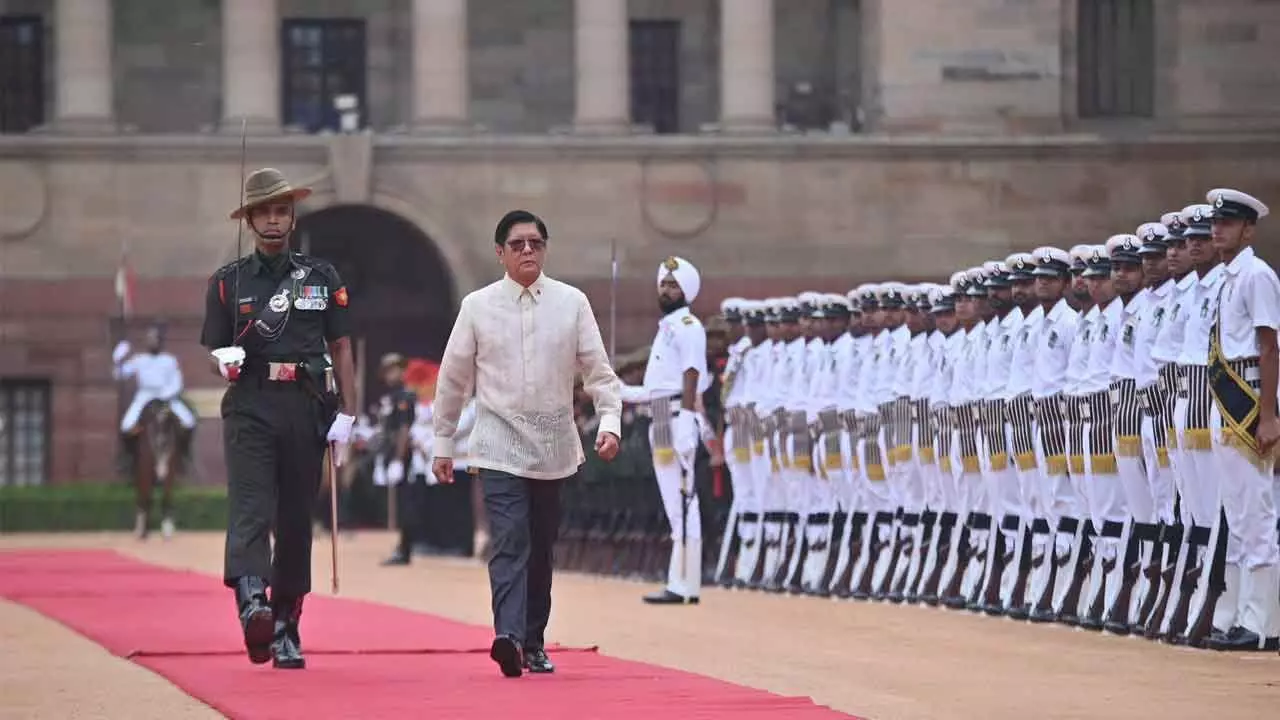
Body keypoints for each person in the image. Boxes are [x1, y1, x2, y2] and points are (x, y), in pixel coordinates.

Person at [430, 209, 622, 678]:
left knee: (539, 545)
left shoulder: (571, 302)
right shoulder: (477, 306)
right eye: (517, 244)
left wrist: (610, 421)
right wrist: (443, 441)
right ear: (500, 253)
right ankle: (509, 637)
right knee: (510, 538)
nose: (528, 251)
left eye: (536, 243)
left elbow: (598, 370)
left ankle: (533, 639)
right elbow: (453, 377)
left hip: (553, 443)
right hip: (497, 441)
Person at [200, 167, 358, 670]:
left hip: (304, 405)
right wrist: (223, 361)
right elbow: (217, 346)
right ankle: (253, 604)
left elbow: (340, 345)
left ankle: (287, 622)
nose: (274, 219)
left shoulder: (320, 277)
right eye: (264, 211)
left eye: (282, 210)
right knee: (251, 507)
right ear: (249, 219)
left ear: (292, 217)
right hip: (250, 404)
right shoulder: (228, 282)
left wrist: (349, 413)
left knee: (294, 519)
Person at [1202, 188, 1279, 652]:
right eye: (1217, 223)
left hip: (1249, 401)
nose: (1218, 230)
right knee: (1237, 515)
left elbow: (1269, 345)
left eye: (1228, 223)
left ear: (1248, 229)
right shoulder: (1226, 277)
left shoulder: (1256, 276)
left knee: (1257, 517)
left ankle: (1263, 623)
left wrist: (1268, 415)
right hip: (1226, 403)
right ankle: (1241, 617)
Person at [620, 257, 712, 604]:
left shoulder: (688, 325)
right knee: (674, 503)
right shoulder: (666, 328)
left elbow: (691, 374)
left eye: (673, 285)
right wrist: (619, 391)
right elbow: (655, 388)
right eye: (663, 283)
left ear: (687, 290)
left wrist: (689, 420)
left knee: (686, 502)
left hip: (676, 418)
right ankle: (678, 580)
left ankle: (686, 584)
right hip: (659, 416)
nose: (666, 289)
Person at [114, 323, 198, 480]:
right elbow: (120, 375)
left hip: (166, 396)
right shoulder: (139, 359)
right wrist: (118, 358)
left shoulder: (169, 360)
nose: (152, 342)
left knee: (188, 422)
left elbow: (177, 382)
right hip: (145, 396)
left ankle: (185, 455)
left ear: (160, 341)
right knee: (126, 426)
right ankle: (128, 458)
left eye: (155, 339)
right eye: (149, 339)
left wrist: (165, 395)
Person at [377, 353, 421, 566]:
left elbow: (404, 429)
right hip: (391, 454)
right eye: (387, 370)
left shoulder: (405, 396)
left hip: (403, 457)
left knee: (406, 503)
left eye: (395, 369)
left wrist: (397, 459)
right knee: (401, 502)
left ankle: (406, 548)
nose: (390, 374)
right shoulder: (391, 397)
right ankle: (403, 545)